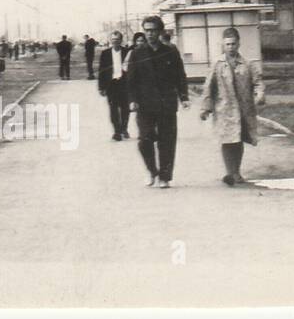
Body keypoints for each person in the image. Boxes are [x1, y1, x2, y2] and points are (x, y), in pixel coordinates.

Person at [125, 15, 190, 189]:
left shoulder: (170, 51)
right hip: (145, 105)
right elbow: (131, 80)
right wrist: (132, 100)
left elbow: (180, 76)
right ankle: (151, 170)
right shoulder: (137, 53)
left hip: (166, 104)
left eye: (153, 30)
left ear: (160, 31)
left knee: (167, 141)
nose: (150, 34)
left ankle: (164, 177)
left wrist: (183, 97)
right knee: (144, 140)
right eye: (147, 30)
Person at [199, 28, 265, 186]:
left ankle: (236, 171)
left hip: (243, 108)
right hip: (224, 108)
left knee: (239, 139)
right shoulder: (217, 64)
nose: (230, 47)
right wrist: (205, 108)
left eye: (233, 44)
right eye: (227, 44)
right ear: (223, 44)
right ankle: (231, 173)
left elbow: (258, 82)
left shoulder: (247, 64)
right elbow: (209, 86)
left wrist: (259, 94)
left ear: (239, 44)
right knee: (227, 140)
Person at [97, 31, 132, 141]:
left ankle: (124, 128)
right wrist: (101, 87)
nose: (115, 42)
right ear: (110, 41)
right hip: (111, 84)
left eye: (117, 40)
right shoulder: (105, 53)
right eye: (113, 40)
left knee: (125, 109)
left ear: (121, 40)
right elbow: (101, 71)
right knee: (113, 109)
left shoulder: (127, 52)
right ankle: (117, 131)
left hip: (124, 84)